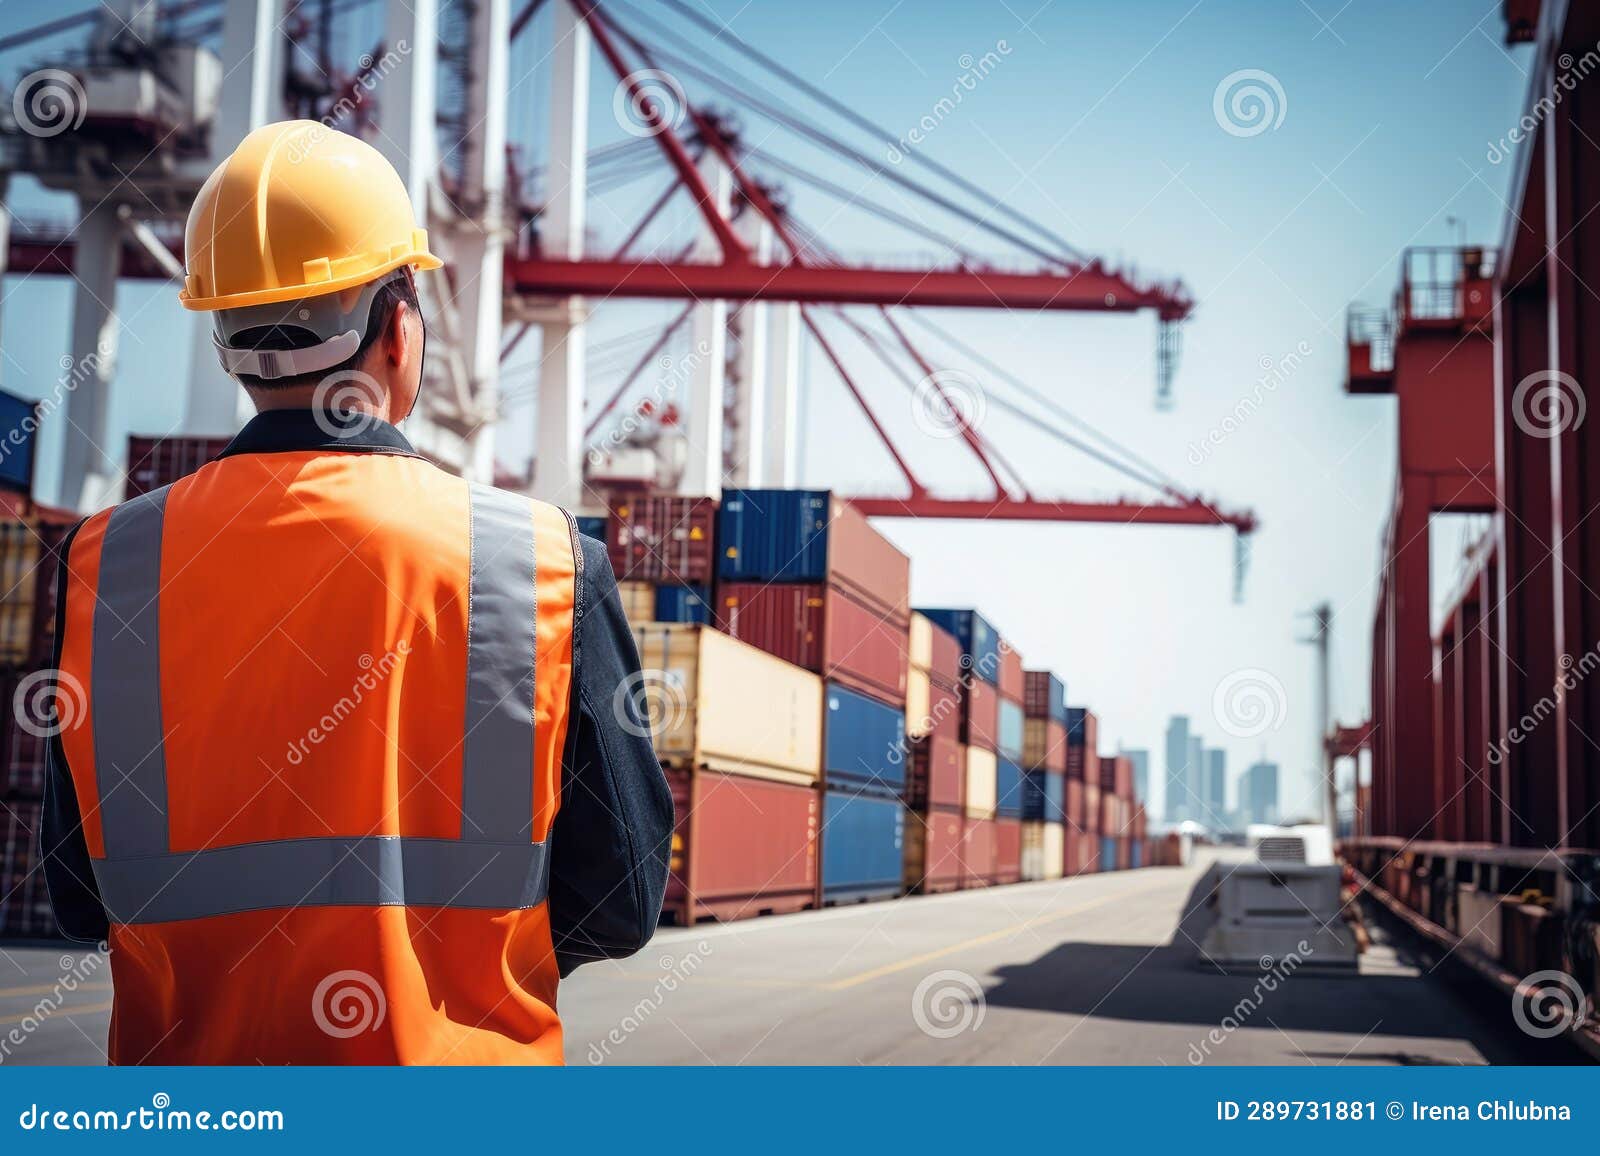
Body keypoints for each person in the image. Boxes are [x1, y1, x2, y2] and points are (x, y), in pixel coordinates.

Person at [41, 120, 673, 1065]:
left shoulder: (109, 563)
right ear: (398, 322)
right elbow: (619, 901)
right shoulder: (539, 559)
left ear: (225, 339)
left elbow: (79, 891)